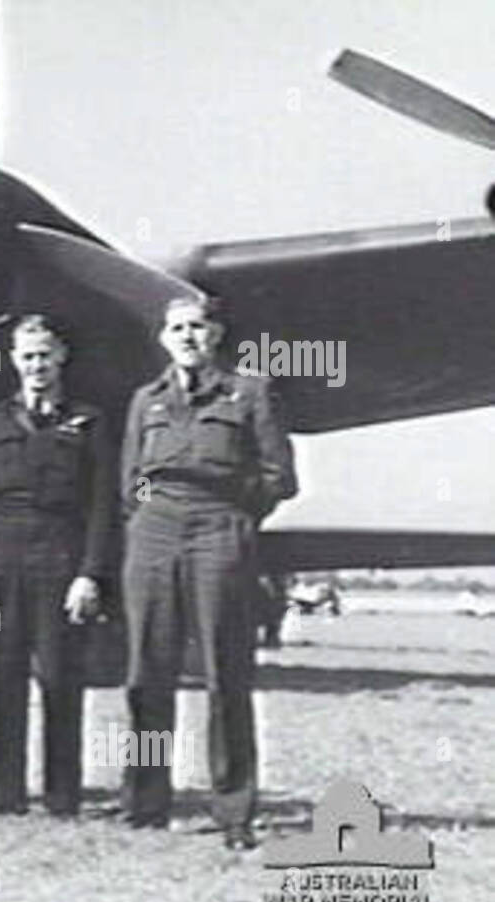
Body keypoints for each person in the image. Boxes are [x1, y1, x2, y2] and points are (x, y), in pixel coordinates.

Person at [120, 296, 297, 849]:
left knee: (226, 673)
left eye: (197, 327)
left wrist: (237, 518)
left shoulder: (249, 392)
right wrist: (153, 518)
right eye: (176, 328)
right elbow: (131, 481)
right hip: (154, 530)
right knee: (147, 672)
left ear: (216, 334)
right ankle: (145, 802)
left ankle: (234, 809)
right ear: (163, 339)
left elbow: (278, 476)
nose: (187, 336)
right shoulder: (145, 400)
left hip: (220, 526)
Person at [0, 315, 115, 818]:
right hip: (0, 564)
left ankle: (62, 795)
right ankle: (1, 794)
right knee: (0, 674)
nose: (37, 365)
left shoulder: (88, 421)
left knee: (61, 676)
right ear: (12, 360)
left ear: (61, 356)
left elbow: (102, 505)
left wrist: (90, 573)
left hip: (59, 561)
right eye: (27, 356)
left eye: (45, 354)